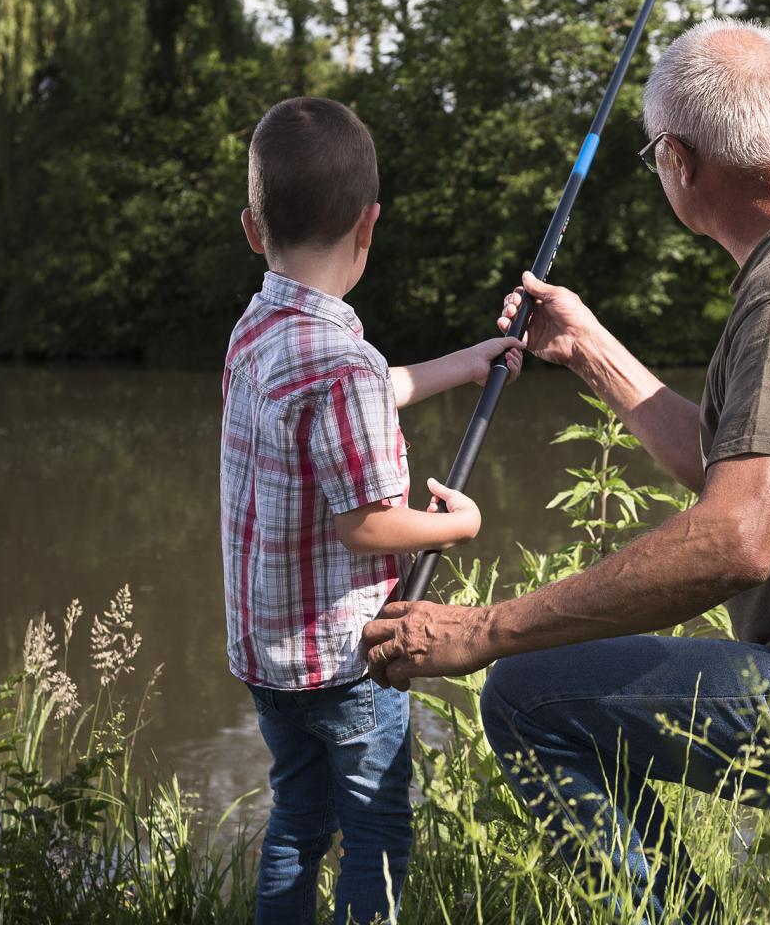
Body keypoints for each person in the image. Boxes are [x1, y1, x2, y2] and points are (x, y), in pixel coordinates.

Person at [361, 20, 770, 922]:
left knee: (531, 698)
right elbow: (741, 474)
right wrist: (590, 349)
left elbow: (732, 540)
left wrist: (485, 630)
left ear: (679, 161)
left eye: (653, 159)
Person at [220, 96, 522, 925]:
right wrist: (460, 524)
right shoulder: (342, 362)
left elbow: (357, 397)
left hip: (266, 659)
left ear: (254, 229)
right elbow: (370, 525)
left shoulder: (260, 329)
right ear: (370, 223)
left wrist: (465, 363)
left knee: (296, 821)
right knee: (378, 830)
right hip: (346, 662)